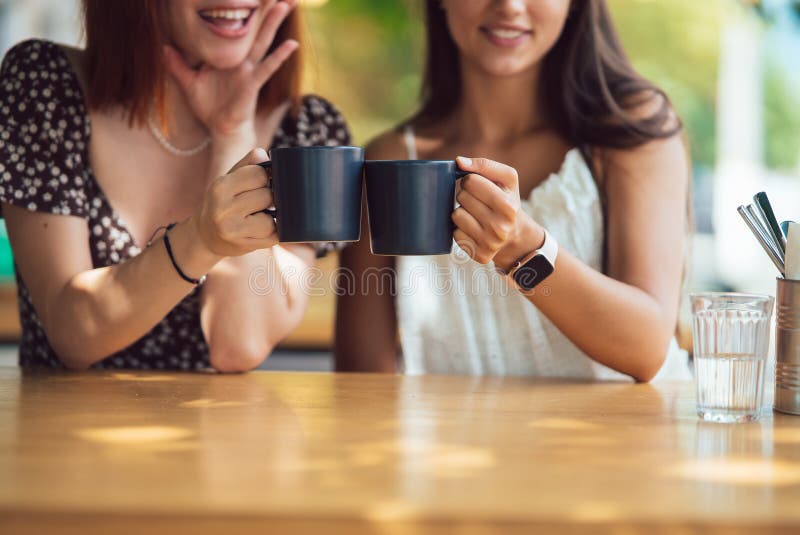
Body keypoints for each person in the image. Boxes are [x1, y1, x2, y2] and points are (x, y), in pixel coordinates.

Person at [336, 0, 691, 381]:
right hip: (458, 440)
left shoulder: (630, 130)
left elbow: (648, 347)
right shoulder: (390, 160)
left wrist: (524, 250)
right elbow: (361, 384)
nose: (509, 6)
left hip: (632, 439)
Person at [0, 0, 351, 371]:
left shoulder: (309, 130)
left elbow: (238, 346)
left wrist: (232, 136)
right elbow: (74, 335)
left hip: (223, 428)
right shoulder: (44, 82)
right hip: (58, 426)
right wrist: (199, 239)